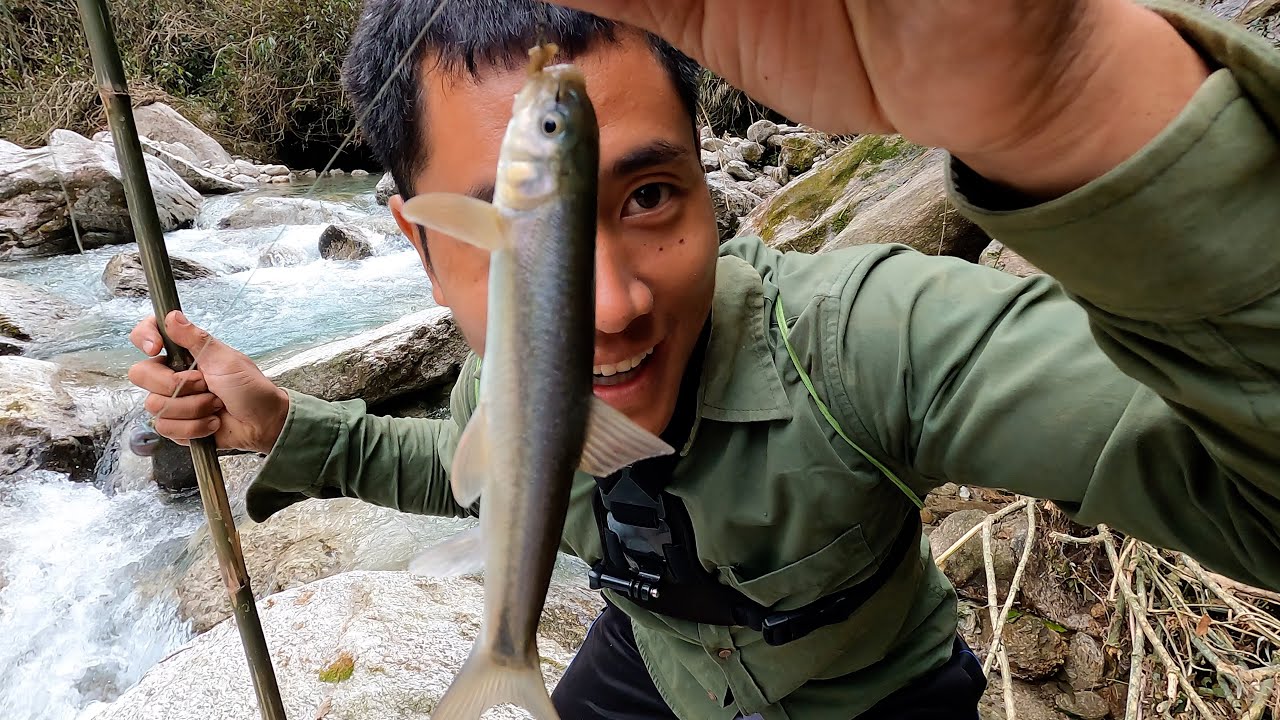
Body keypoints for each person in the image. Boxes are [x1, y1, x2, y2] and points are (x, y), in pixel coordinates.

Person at [126, 0, 1280, 717]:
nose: (610, 308)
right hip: (657, 663)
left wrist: (1069, 93)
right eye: (522, 237)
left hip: (871, 697)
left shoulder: (868, 341)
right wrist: (284, 427)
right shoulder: (496, 377)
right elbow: (470, 469)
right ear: (429, 254)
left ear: (709, 176)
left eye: (651, 194)